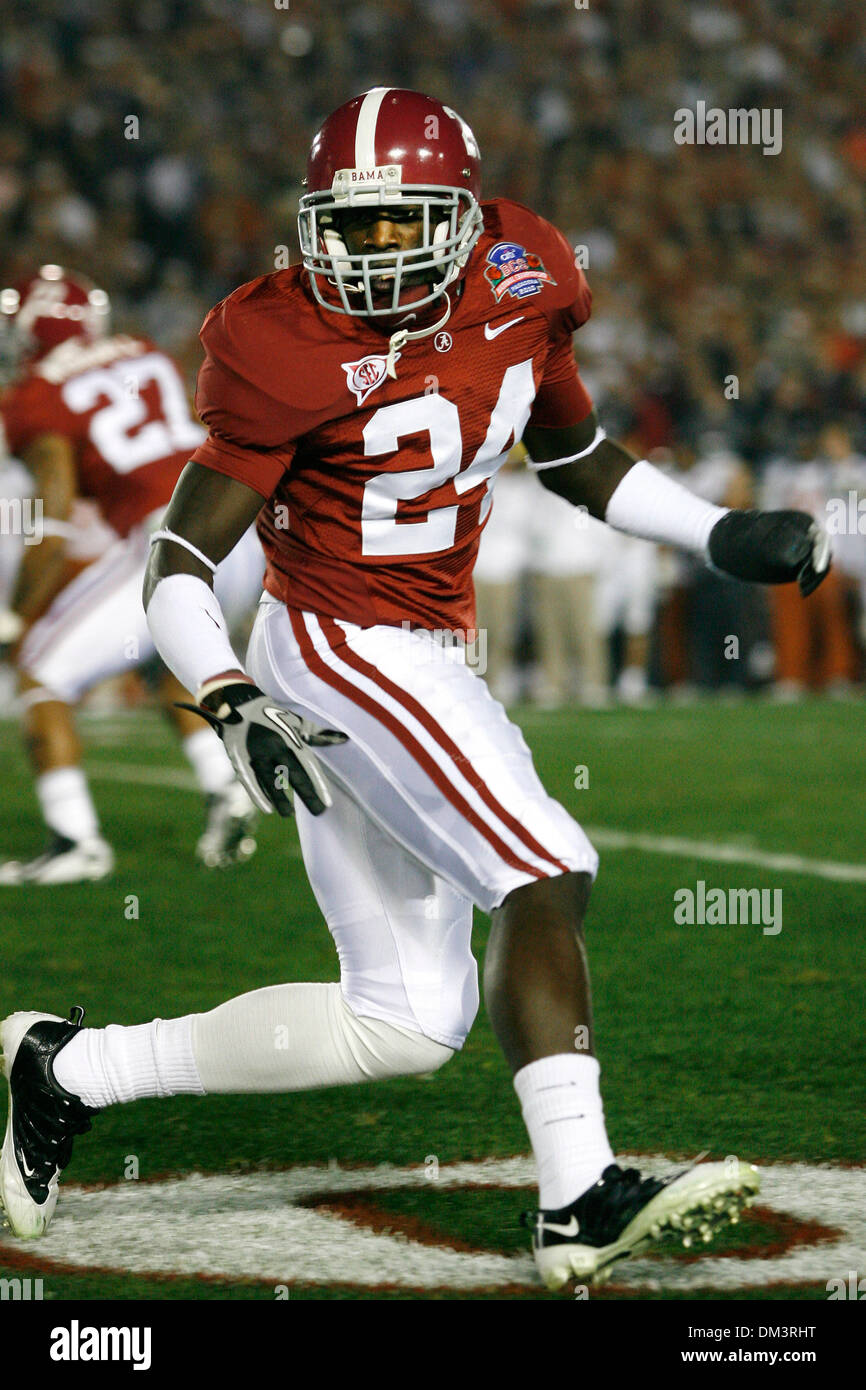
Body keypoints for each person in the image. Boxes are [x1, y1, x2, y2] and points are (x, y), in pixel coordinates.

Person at [0, 90, 830, 1290]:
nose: (374, 251)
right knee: (542, 865)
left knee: (396, 1022)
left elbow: (569, 452)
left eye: (402, 224)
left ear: (462, 215)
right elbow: (179, 562)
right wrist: (229, 694)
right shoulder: (273, 335)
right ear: (310, 222)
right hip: (338, 636)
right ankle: (578, 1198)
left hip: (429, 638)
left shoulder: (524, 267)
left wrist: (713, 532)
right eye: (352, 225)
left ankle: (69, 1071)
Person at [0, 265, 261, 882]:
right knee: (164, 655)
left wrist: (18, 613)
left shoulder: (35, 395)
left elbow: (54, 515)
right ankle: (226, 790)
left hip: (170, 539)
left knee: (40, 674)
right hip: (238, 530)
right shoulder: (144, 351)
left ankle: (76, 844)